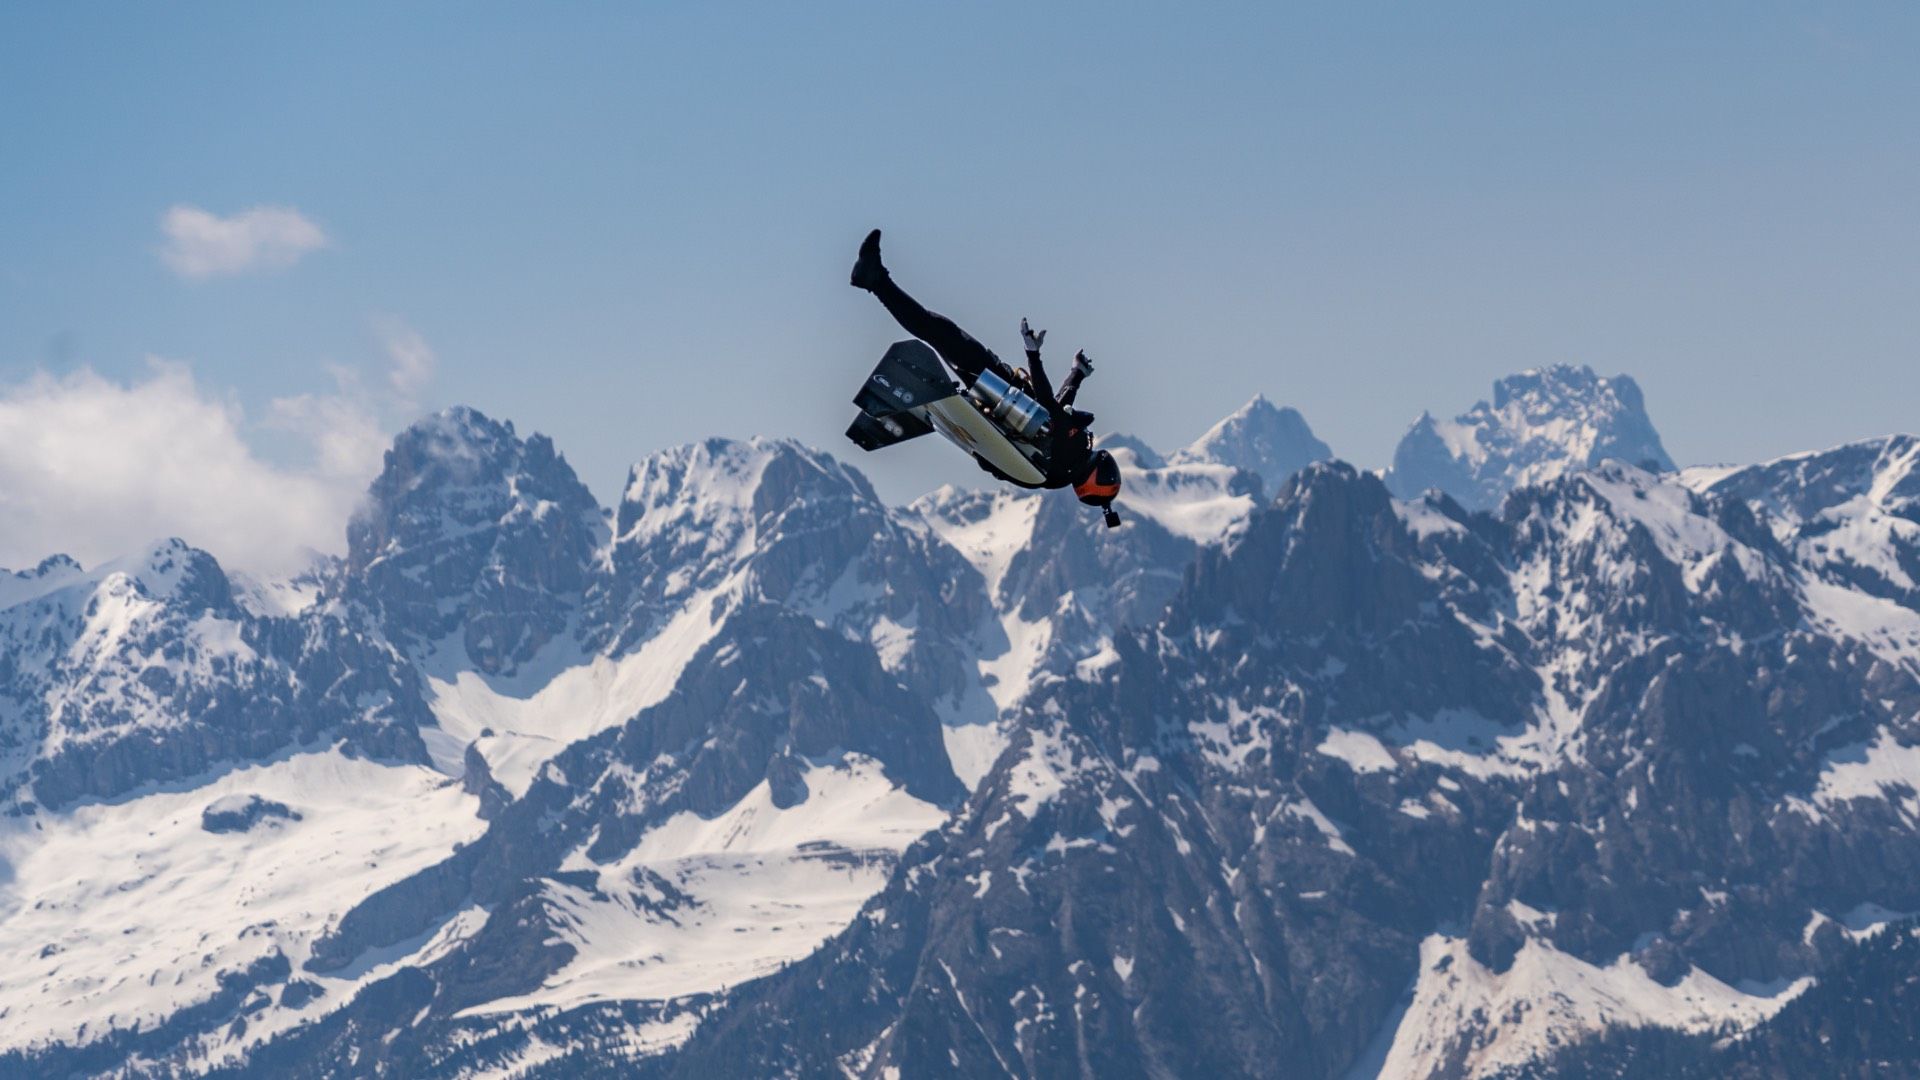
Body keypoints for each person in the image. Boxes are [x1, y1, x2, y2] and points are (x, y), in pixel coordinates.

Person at [850, 229, 1122, 522]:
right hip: (989, 405)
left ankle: (875, 280)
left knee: (937, 330)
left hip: (996, 385)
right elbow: (1058, 409)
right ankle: (875, 279)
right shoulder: (1054, 475)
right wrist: (1076, 374)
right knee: (936, 332)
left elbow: (1049, 405)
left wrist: (1033, 353)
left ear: (1096, 477)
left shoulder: (1074, 449)